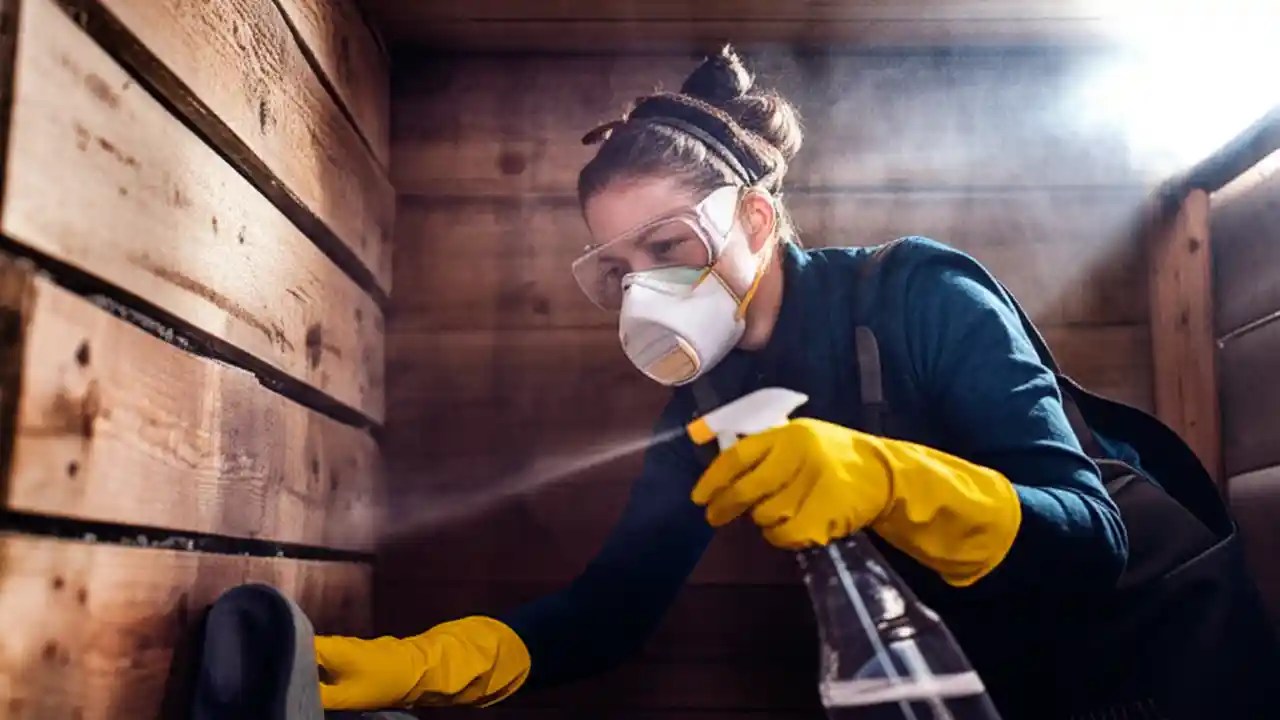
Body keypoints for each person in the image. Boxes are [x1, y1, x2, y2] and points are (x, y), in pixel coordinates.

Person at [314, 47, 1279, 719]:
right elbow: (614, 609)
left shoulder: (921, 293)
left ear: (757, 225)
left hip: (1166, 649)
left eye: (668, 247)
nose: (642, 289)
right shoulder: (702, 400)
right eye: (616, 268)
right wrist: (428, 662)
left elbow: (1090, 541)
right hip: (1015, 678)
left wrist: (887, 478)